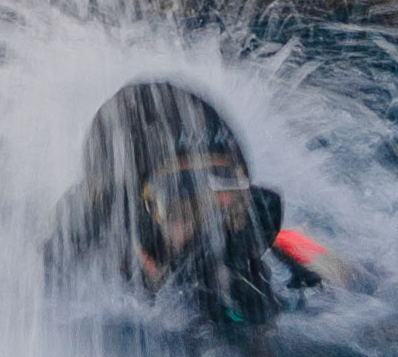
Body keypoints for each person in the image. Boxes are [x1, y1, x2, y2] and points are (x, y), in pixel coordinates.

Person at [47, 80, 336, 341]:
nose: (213, 228)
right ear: (133, 220)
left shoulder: (282, 261)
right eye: (184, 208)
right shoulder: (74, 296)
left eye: (227, 201)